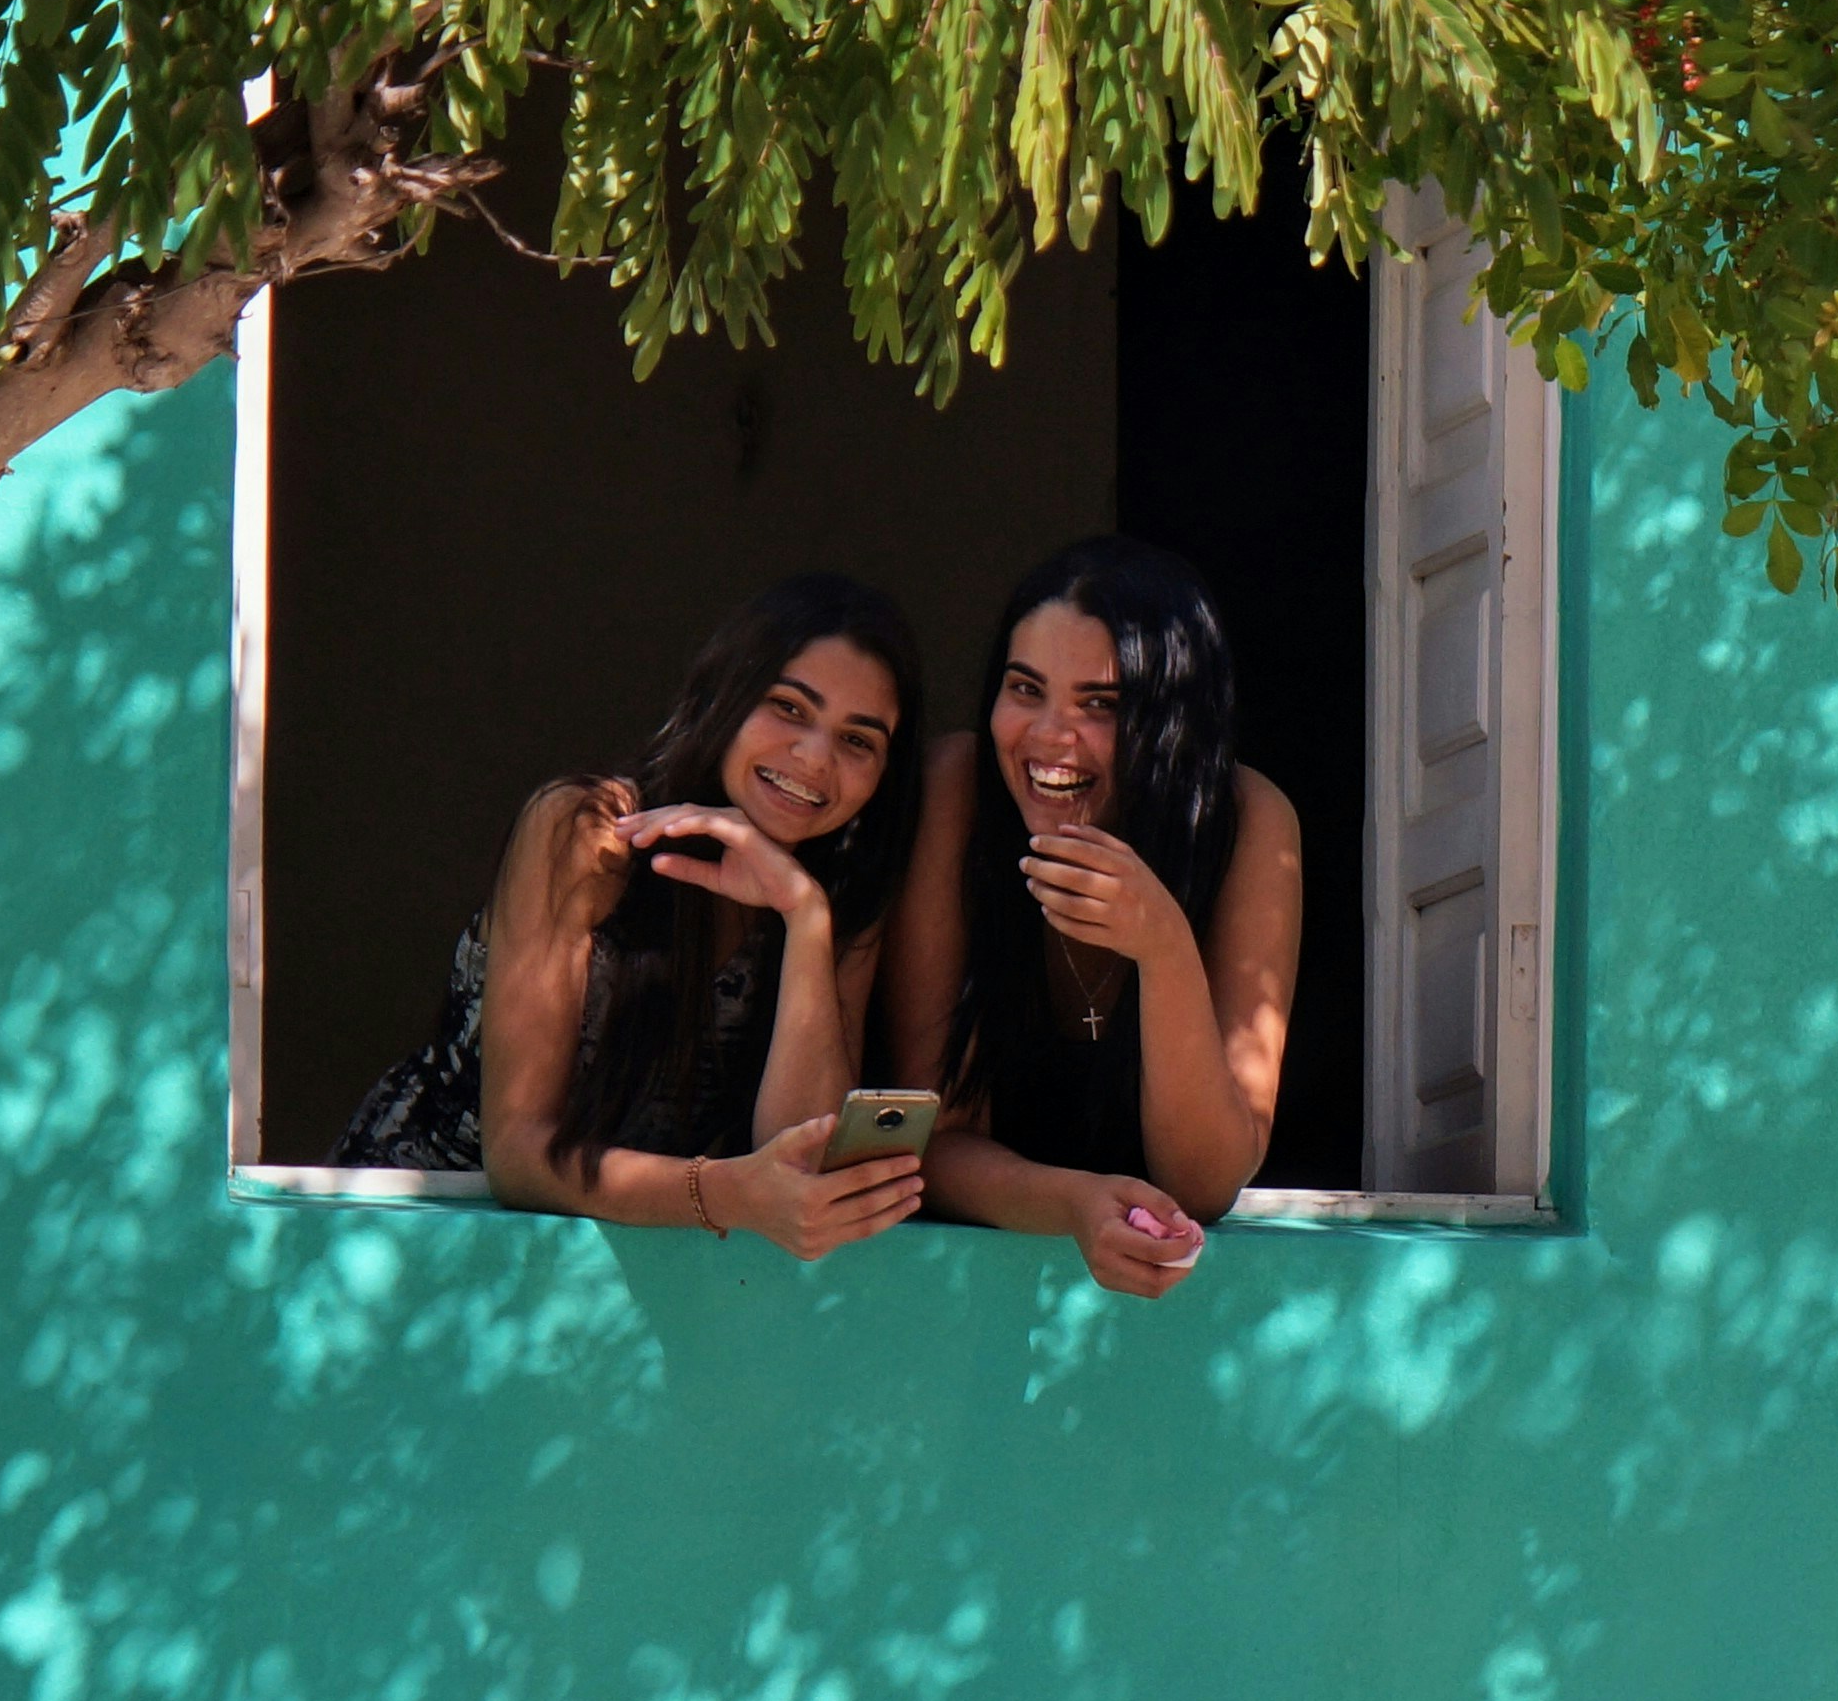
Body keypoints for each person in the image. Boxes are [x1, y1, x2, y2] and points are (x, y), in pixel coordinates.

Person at [336, 573, 933, 1257]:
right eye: (789, 708)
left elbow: (797, 1161)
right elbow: (518, 1153)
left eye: (858, 741)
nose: (814, 757)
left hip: (617, 1266)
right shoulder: (591, 831)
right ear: (723, 697)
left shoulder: (837, 899)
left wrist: (802, 916)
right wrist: (729, 1194)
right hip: (409, 1237)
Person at [883, 537, 1304, 1296]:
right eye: (1024, 689)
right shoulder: (956, 793)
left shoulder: (1248, 822)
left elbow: (1205, 1180)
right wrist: (1073, 1206)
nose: (1049, 736)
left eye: (1100, 705)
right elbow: (933, 1135)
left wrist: (1164, 946)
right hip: (957, 1308)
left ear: (1174, 720)